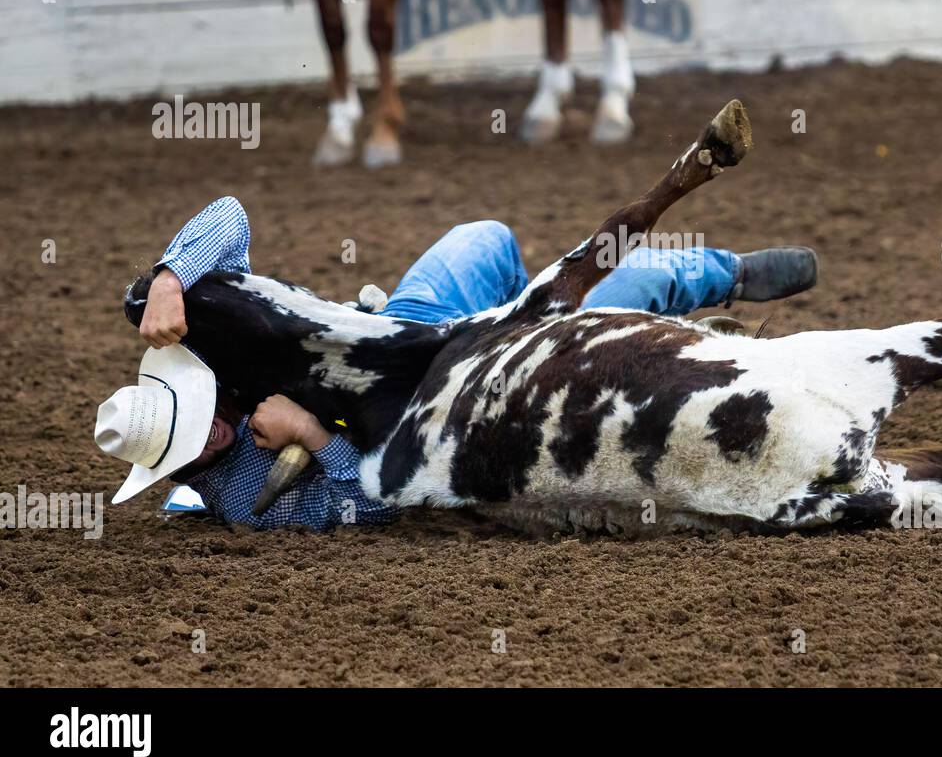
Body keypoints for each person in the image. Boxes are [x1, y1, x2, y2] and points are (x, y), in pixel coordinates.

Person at [95, 197, 819, 530]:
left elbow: (230, 218)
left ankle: (540, 309)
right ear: (181, 468)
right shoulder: (246, 496)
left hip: (395, 331)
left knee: (488, 236)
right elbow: (372, 504)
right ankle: (720, 275)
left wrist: (169, 276)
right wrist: (316, 438)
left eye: (198, 422)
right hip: (438, 409)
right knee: (611, 295)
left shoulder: (200, 338)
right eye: (194, 450)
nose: (212, 435)